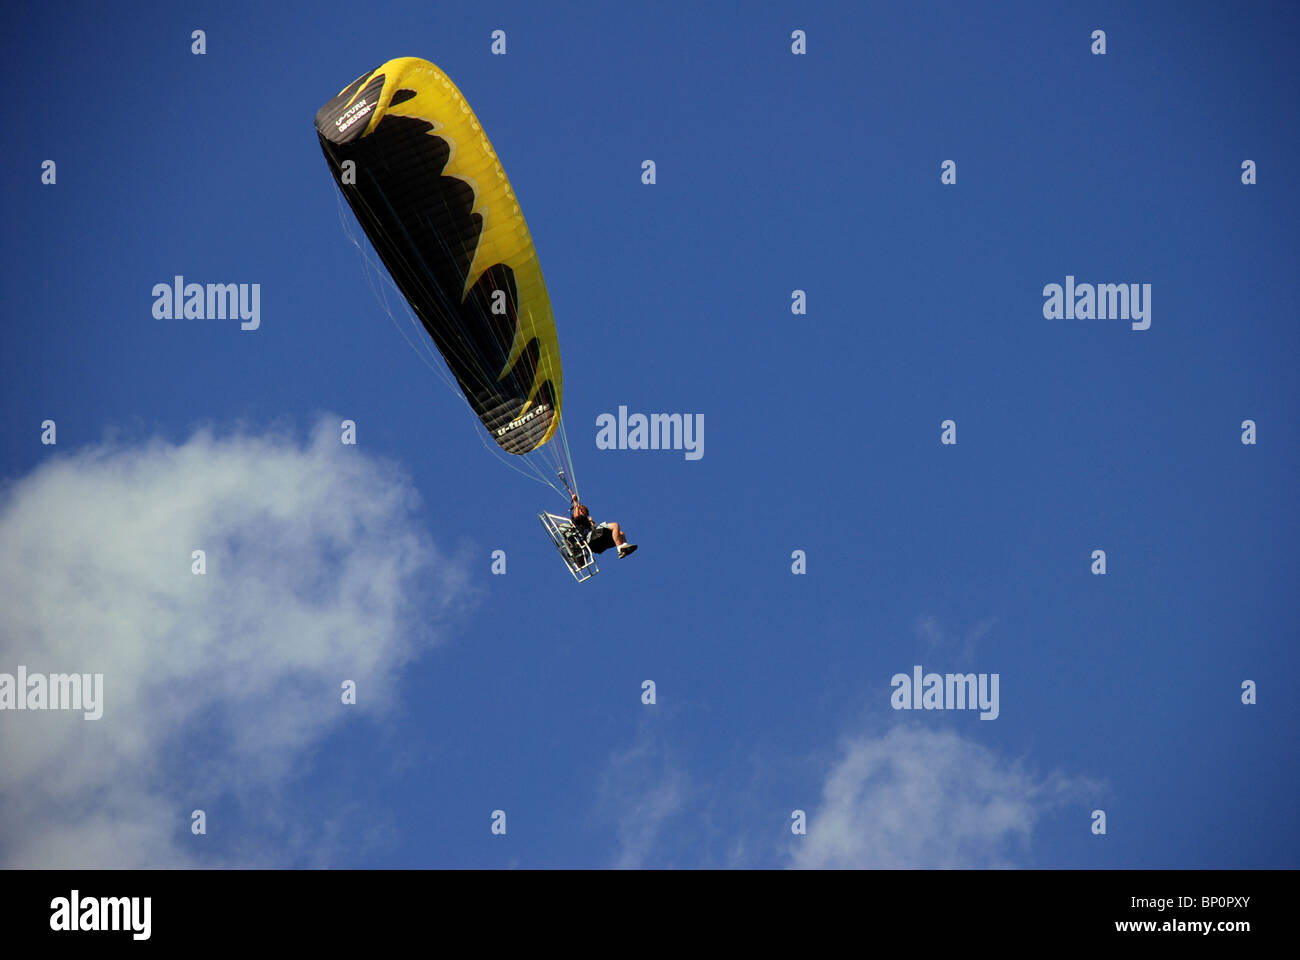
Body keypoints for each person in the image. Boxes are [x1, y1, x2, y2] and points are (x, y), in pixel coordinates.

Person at [570, 493, 637, 558]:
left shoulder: (586, 521)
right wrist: (575, 501)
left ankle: (624, 547)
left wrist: (591, 523)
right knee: (615, 525)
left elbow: (592, 528)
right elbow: (576, 515)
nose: (585, 513)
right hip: (591, 539)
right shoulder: (578, 519)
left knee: (621, 534)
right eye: (583, 511)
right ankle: (620, 548)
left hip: (597, 543)